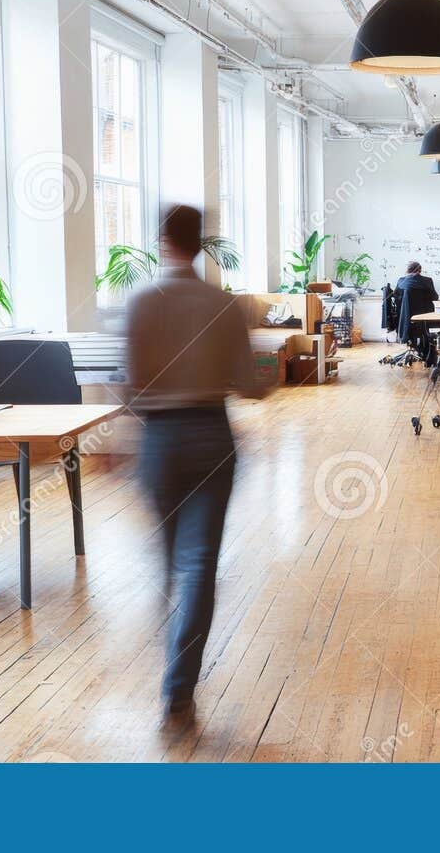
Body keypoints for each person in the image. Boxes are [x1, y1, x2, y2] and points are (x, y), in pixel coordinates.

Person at [126, 205, 273, 726]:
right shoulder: (223, 304)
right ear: (202, 242)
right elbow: (254, 385)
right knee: (201, 566)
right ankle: (179, 687)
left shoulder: (141, 302)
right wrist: (262, 373)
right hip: (212, 436)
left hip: (160, 441)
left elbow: (131, 388)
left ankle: (170, 640)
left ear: (163, 240)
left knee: (169, 563)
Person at [395, 261, 440, 364]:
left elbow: (397, 298)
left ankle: (413, 346)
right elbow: (435, 297)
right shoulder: (427, 281)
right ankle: (425, 352)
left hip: (406, 318)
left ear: (408, 270)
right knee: (423, 328)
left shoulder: (401, 281)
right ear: (420, 270)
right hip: (425, 318)